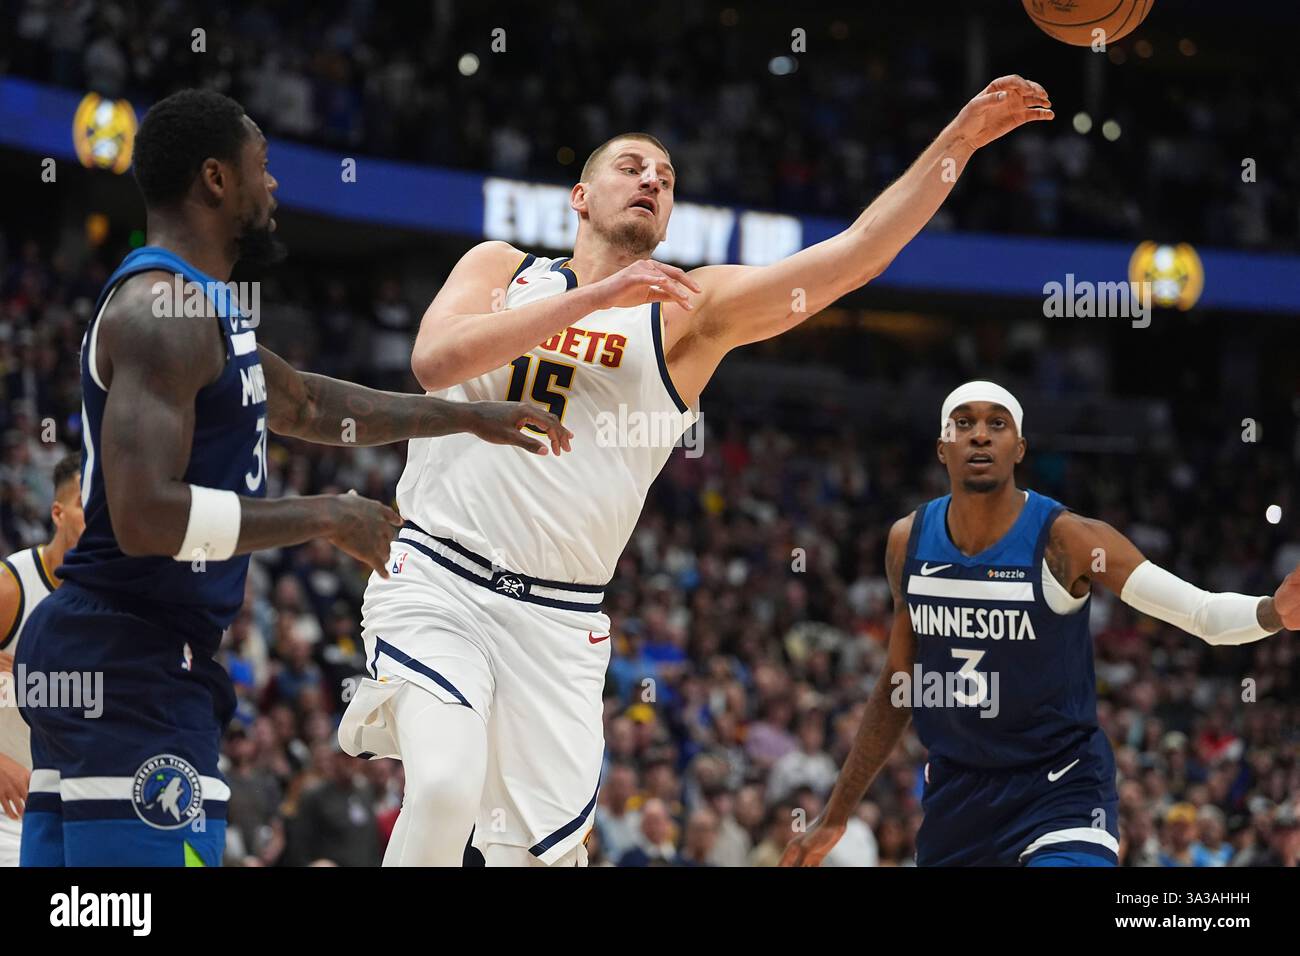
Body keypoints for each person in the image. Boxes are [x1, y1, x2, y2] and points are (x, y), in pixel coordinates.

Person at [340, 76, 1060, 866]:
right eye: (634, 167)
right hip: (438, 576)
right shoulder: (498, 266)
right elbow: (434, 362)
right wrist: (594, 297)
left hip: (557, 620)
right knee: (442, 787)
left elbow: (856, 256)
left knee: (533, 857)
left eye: (668, 178)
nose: (653, 180)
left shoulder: (687, 311)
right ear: (580, 196)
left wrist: (956, 140)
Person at [17, 89, 569, 868]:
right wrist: (327, 515)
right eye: (262, 167)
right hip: (129, 657)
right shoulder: (161, 308)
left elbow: (311, 403)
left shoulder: (204, 310)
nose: (273, 186)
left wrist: (465, 416)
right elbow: (144, 517)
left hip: (116, 652)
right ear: (216, 179)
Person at [781, 381, 1300, 867]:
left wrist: (1272, 613)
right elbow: (899, 683)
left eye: (997, 423)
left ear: (1020, 448)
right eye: (962, 423)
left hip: (1062, 788)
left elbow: (1201, 612)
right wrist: (837, 812)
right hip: (957, 800)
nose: (980, 433)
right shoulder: (907, 541)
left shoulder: (1067, 540)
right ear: (943, 448)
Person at [0, 453, 83, 866]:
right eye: (86, 505)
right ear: (58, 513)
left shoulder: (116, 603)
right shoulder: (11, 586)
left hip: (70, 807)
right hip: (7, 805)